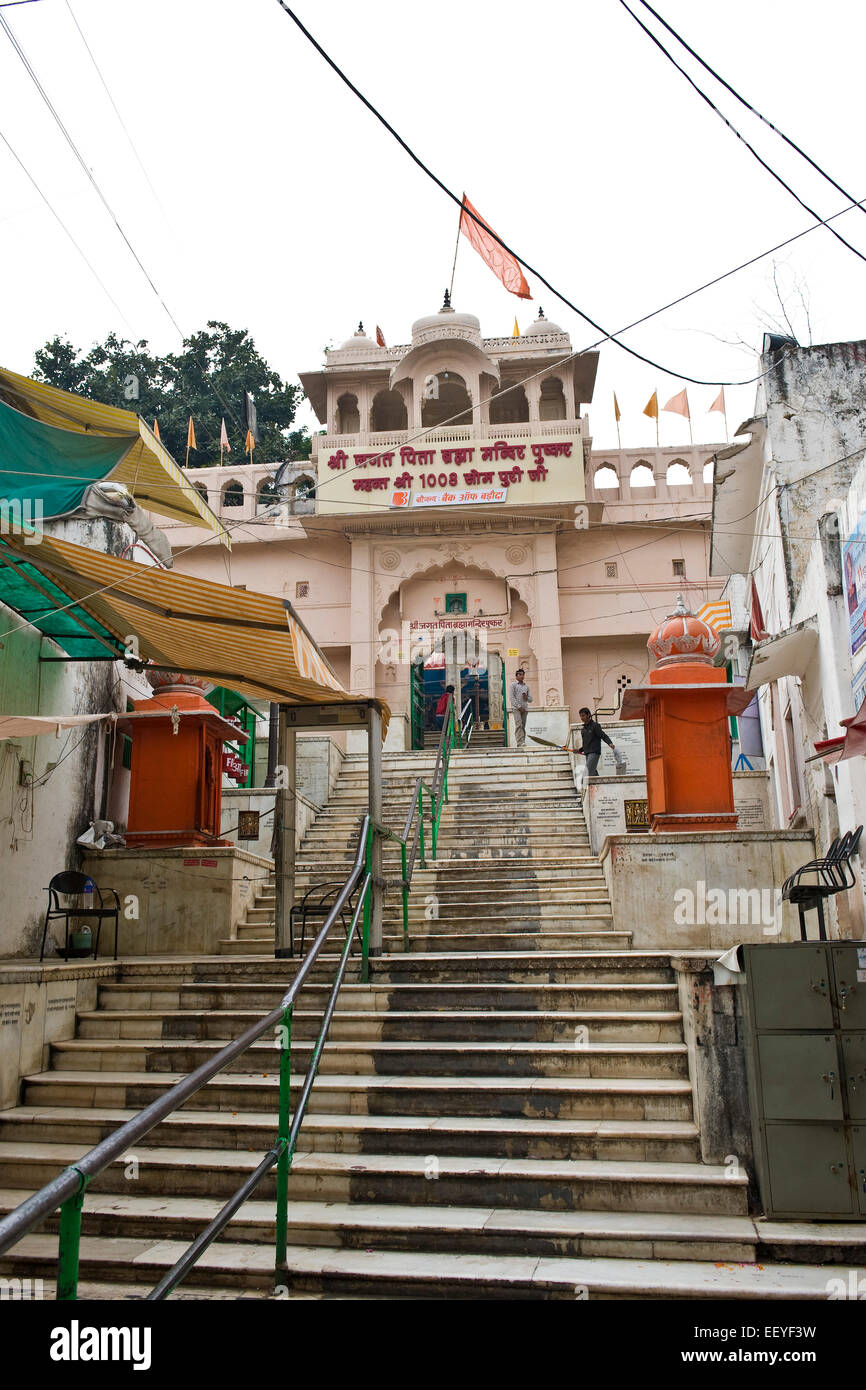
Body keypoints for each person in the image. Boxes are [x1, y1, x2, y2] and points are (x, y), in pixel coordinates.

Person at [577, 706, 617, 776]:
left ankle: (583, 786)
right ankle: (600, 785)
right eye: (580, 716)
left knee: (587, 771)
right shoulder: (583, 730)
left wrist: (610, 743)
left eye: (583, 715)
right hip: (587, 753)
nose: (581, 718)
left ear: (588, 715)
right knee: (593, 772)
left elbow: (603, 735)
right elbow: (586, 743)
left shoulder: (595, 726)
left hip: (594, 752)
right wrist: (580, 750)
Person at [509, 668, 532, 747]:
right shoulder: (513, 685)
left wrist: (526, 697)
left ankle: (523, 742)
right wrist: (519, 707)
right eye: (520, 675)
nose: (522, 676)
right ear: (516, 676)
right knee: (518, 725)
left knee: (523, 726)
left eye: (523, 675)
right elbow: (512, 698)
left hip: (525, 709)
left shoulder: (526, 687)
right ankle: (519, 743)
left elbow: (530, 700)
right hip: (516, 709)